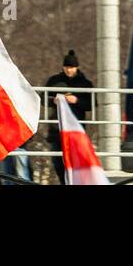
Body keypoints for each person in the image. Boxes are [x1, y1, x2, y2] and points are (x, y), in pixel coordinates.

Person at [44, 50, 93, 183]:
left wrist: (76, 100)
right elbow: (42, 98)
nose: (69, 70)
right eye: (67, 67)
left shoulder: (85, 84)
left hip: (76, 128)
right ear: (63, 67)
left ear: (77, 67)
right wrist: (53, 100)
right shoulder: (54, 81)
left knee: (75, 161)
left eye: (71, 68)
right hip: (57, 128)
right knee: (58, 161)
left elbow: (91, 104)